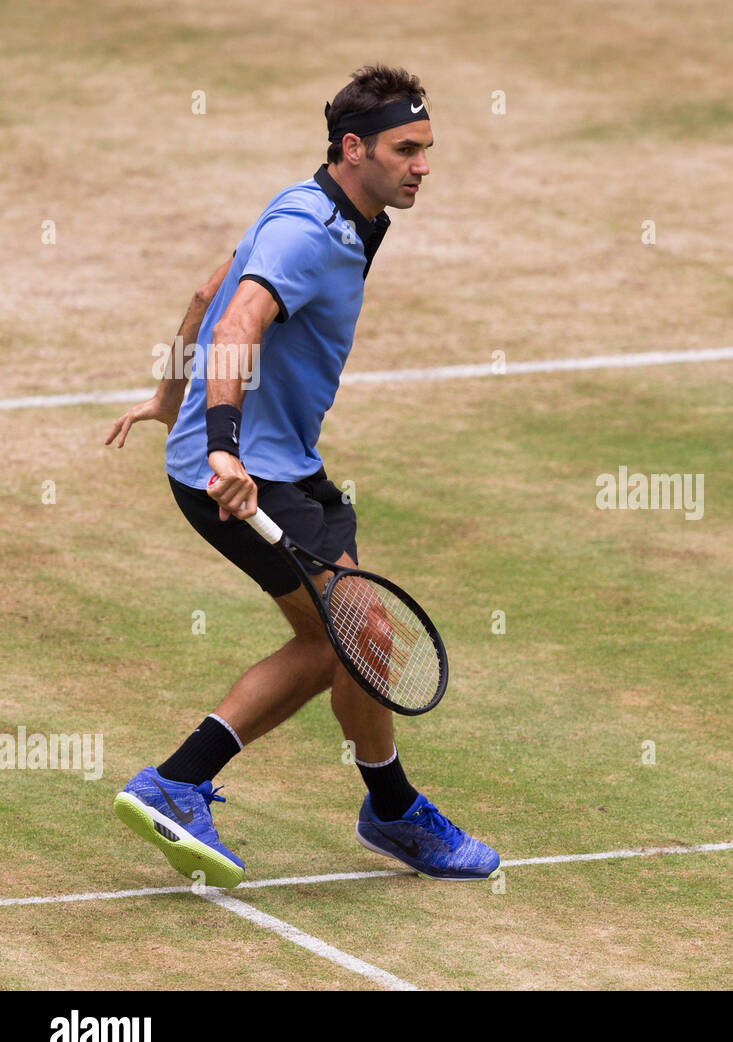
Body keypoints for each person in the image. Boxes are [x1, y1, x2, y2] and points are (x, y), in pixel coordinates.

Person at [104, 65, 499, 887]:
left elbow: (208, 288)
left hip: (283, 463)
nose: (423, 165)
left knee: (355, 639)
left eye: (427, 148)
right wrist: (218, 443)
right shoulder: (309, 232)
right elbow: (240, 316)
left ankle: (387, 809)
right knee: (351, 638)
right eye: (406, 149)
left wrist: (167, 394)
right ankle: (180, 783)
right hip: (243, 471)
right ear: (353, 149)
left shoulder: (326, 206)